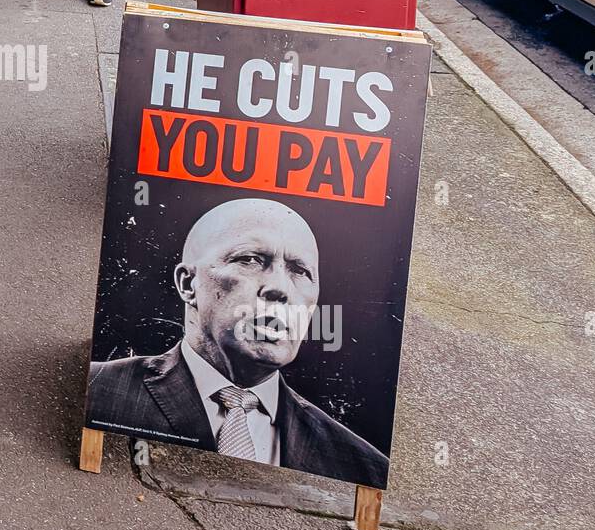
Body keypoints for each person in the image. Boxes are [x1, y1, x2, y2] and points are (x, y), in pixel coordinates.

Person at [85, 199, 390, 489]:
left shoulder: (361, 466)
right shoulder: (98, 391)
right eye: (250, 260)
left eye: (300, 271)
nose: (279, 289)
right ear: (188, 284)